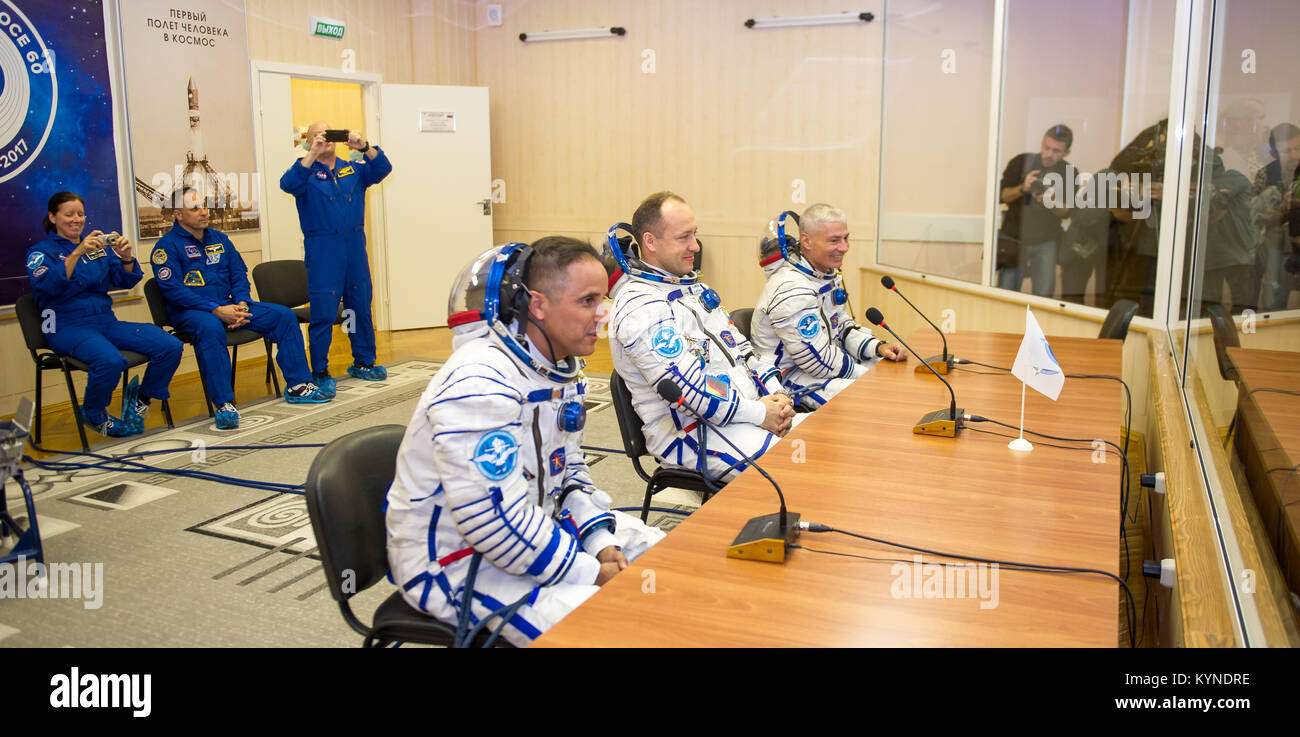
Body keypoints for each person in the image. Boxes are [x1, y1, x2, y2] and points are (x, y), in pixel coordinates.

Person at [386, 237, 664, 647]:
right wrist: (588, 571)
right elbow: (490, 522)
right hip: (454, 561)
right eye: (587, 301)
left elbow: (568, 475)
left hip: (532, 526)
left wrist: (602, 544)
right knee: (617, 623)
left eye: (602, 299)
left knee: (669, 558)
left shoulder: (555, 372)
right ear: (537, 306)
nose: (603, 315)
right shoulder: (477, 385)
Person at [606, 192, 796, 483]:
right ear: (650, 242)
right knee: (795, 469)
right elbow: (687, 389)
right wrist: (759, 413)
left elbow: (745, 355)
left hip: (746, 412)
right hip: (689, 432)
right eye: (684, 237)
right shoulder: (639, 305)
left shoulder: (694, 290)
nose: (695, 246)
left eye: (694, 235)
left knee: (819, 444)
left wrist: (778, 395)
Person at [151, 186, 332, 430]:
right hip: (192, 312)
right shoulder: (166, 248)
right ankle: (225, 404)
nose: (203, 212)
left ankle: (298, 385)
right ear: (178, 215)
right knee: (211, 327)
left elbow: (238, 273)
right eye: (194, 208)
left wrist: (242, 303)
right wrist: (216, 310)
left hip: (230, 305)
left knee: (284, 316)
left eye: (204, 205)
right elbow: (174, 291)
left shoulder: (220, 239)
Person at [25, 192, 183, 437]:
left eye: (80, 214)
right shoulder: (40, 252)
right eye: (69, 214)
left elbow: (125, 279)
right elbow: (47, 286)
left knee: (170, 345)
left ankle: (140, 400)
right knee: (111, 361)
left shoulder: (97, 246)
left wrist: (127, 257)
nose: (76, 219)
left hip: (105, 322)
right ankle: (94, 413)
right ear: (52, 217)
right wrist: (77, 252)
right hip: (65, 327)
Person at [749, 204, 905, 410]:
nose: (844, 247)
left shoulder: (821, 275)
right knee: (875, 396)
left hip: (822, 367)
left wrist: (876, 347)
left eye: (845, 238)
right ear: (806, 241)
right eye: (834, 241)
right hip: (788, 377)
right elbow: (816, 360)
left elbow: (840, 325)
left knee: (895, 376)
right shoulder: (791, 289)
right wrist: (866, 374)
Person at [278, 122, 392, 397]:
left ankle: (363, 361)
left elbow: (383, 168)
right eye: (318, 135)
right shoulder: (304, 170)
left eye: (329, 134)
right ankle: (320, 371)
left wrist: (363, 147)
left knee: (358, 306)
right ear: (308, 141)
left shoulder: (352, 168)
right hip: (323, 249)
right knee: (324, 312)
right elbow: (287, 184)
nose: (325, 139)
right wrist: (312, 154)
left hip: (354, 247)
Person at [997, 124, 1076, 297]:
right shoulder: (1022, 162)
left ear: (1066, 152)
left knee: (1044, 296)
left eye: (1056, 151)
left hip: (1046, 241)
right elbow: (1001, 196)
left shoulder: (1069, 172)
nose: (1049, 154)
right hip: (1014, 239)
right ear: (1041, 143)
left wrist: (1051, 202)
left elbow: (1068, 213)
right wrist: (1022, 188)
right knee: (1005, 294)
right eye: (1046, 147)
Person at [1252, 123, 1300, 310]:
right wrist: (1270, 216)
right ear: (1274, 152)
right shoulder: (1265, 174)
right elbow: (1254, 215)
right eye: (1287, 151)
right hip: (1274, 249)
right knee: (1273, 301)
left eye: (1298, 148)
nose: (1295, 155)